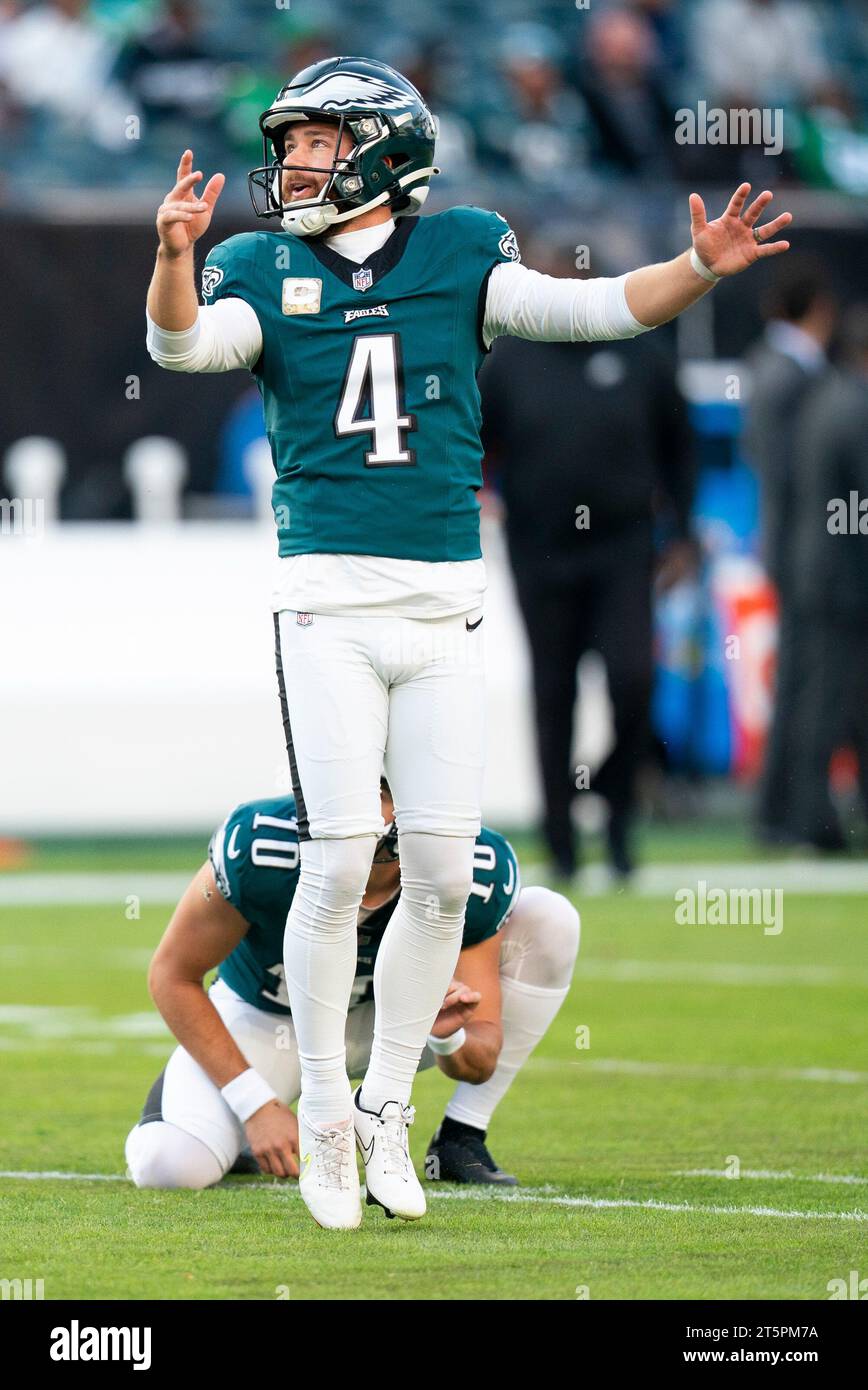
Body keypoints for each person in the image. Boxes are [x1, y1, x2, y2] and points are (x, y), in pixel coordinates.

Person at [145, 53, 792, 1229]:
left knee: (440, 870)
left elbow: (589, 306)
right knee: (342, 861)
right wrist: (173, 261)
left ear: (383, 149)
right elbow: (184, 350)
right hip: (329, 604)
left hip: (445, 608)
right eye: (288, 140)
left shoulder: (463, 252)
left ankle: (390, 1111)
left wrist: (697, 268)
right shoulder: (256, 263)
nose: (291, 161)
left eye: (316, 140)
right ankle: (331, 1115)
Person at [125, 780, 580, 1195]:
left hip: (396, 1022)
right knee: (169, 1165)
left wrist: (447, 1034)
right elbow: (173, 975)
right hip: (273, 1023)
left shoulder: (468, 864)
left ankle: (463, 1136)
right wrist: (255, 1106)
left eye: (383, 792)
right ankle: (244, 1131)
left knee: (548, 919)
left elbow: (480, 1057)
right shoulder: (262, 845)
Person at [481, 244, 695, 879]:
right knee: (554, 692)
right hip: (538, 550)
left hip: (625, 549)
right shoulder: (512, 359)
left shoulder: (640, 350)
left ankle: (618, 817)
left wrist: (682, 535)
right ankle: (562, 842)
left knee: (634, 680)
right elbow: (472, 442)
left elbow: (680, 447)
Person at [741, 258, 837, 846]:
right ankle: (796, 814)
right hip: (810, 552)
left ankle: (782, 810)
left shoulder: (766, 367)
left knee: (800, 682)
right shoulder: (794, 377)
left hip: (790, 546)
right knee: (810, 684)